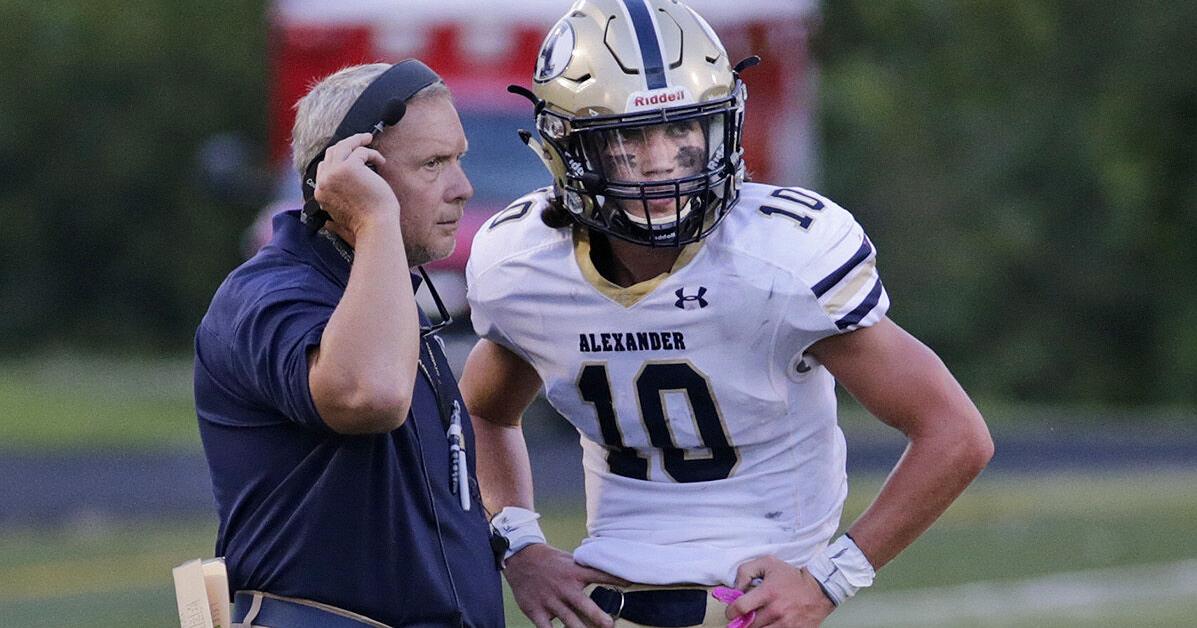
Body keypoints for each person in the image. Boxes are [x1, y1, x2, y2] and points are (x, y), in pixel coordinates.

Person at [461, 2, 994, 627]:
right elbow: (481, 413)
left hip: (756, 601)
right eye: (630, 137)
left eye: (683, 130)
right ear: (566, 145)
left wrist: (829, 579)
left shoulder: (781, 258)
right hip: (610, 597)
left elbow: (955, 435)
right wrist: (518, 545)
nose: (661, 160)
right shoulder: (523, 265)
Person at [194, 60, 503, 627]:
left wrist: (515, 549)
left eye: (457, 159)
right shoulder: (267, 294)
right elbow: (372, 395)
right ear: (348, 175)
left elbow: (425, 510)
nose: (462, 189)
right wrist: (375, 216)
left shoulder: (380, 288)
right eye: (433, 164)